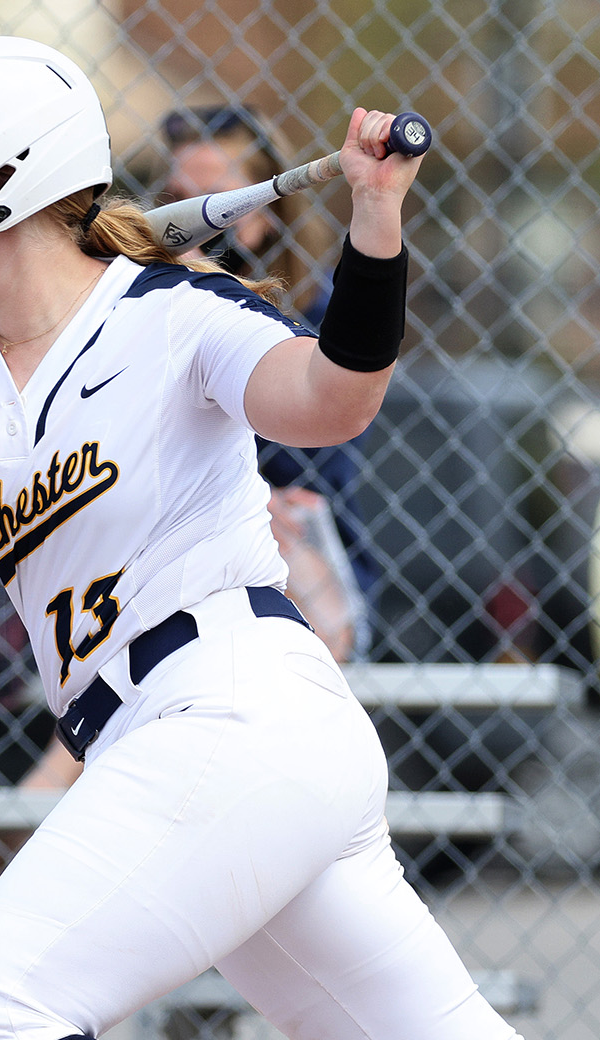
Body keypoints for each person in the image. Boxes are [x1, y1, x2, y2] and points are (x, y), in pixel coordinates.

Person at [0, 35, 600, 1040]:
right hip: (188, 741)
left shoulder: (175, 315)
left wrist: (376, 224)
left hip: (230, 711)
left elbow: (334, 400)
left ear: (4, 170)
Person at [158, 102, 378, 660]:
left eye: (220, 200)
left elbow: (306, 472)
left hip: (287, 532)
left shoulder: (316, 311)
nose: (199, 218)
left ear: (266, 209)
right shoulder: (143, 302)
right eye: (178, 199)